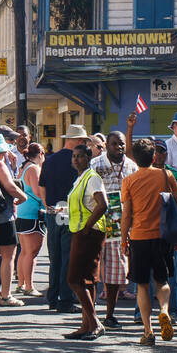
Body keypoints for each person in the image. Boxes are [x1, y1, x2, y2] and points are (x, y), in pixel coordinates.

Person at [120, 137, 177, 346]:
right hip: (162, 236)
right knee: (163, 281)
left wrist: (123, 240)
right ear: (154, 156)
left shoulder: (128, 181)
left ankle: (148, 331)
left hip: (139, 237)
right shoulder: (166, 175)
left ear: (135, 159)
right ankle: (164, 310)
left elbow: (126, 215)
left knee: (141, 285)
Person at [40, 124, 89, 314]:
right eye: (83, 141)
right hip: (71, 213)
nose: (84, 144)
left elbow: (41, 186)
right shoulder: (79, 161)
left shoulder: (50, 160)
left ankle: (53, 297)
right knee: (69, 257)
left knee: (55, 257)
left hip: (53, 212)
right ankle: (65, 299)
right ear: (76, 141)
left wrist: (47, 205)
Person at [93, 128, 138, 329]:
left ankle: (109, 315)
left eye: (121, 144)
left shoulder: (131, 166)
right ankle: (90, 313)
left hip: (120, 220)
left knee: (114, 272)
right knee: (92, 268)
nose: (119, 147)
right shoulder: (95, 164)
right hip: (97, 218)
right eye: (114, 144)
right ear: (106, 146)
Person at [64, 143, 108, 341]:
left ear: (88, 158)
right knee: (86, 280)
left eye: (80, 156)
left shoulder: (92, 178)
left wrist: (87, 227)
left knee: (73, 279)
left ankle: (95, 323)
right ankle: (86, 325)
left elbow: (102, 205)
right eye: (74, 156)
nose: (75, 159)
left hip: (88, 233)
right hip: (81, 231)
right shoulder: (80, 178)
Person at [0, 134, 28, 307]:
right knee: (9, 256)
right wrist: (23, 197)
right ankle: (5, 295)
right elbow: (10, 187)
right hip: (4, 216)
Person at [14, 142, 47, 297]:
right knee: (32, 252)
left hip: (22, 211)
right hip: (33, 213)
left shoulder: (24, 167)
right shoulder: (33, 169)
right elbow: (37, 191)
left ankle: (21, 284)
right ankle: (29, 285)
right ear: (40, 154)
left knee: (24, 252)